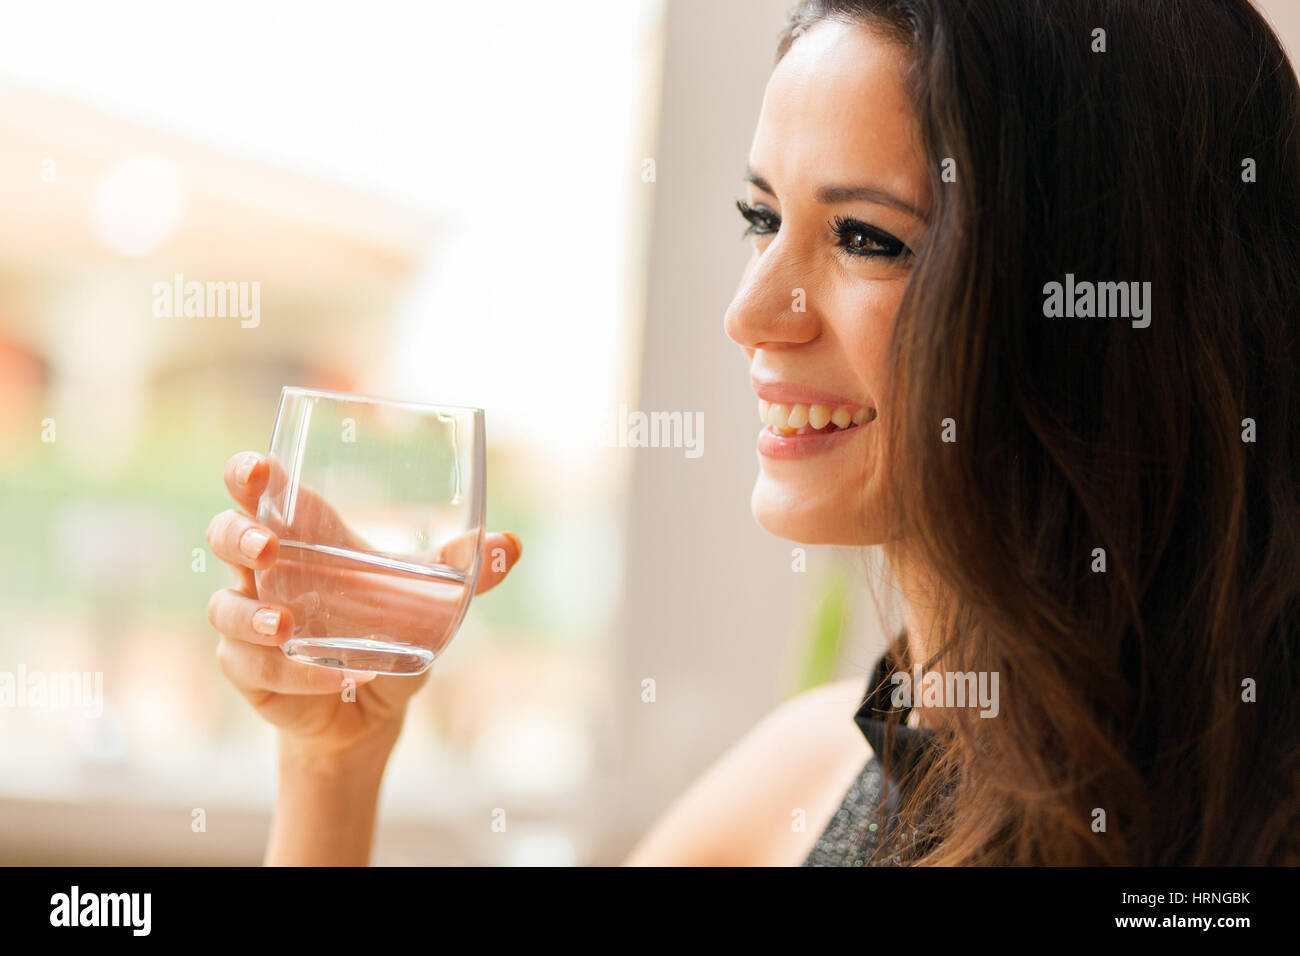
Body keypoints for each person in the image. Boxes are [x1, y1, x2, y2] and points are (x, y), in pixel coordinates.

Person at [206, 0, 1300, 865]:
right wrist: (334, 763)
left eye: (867, 236)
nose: (749, 312)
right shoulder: (814, 772)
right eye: (761, 219)